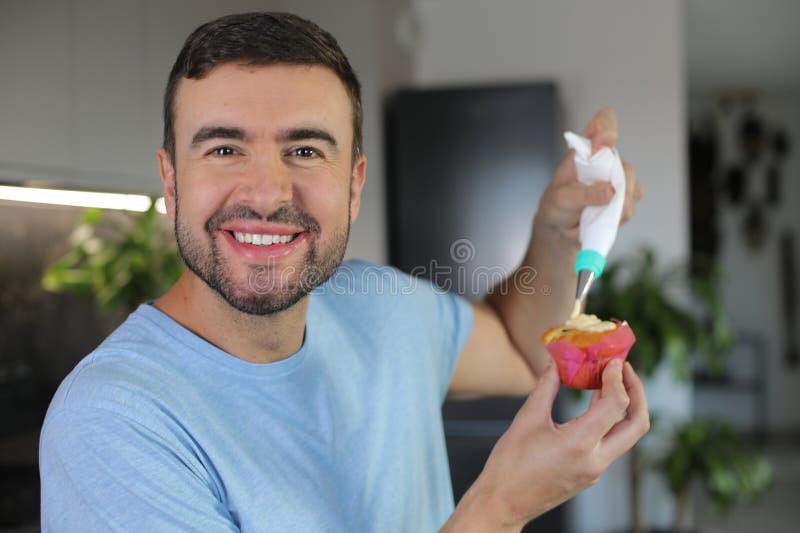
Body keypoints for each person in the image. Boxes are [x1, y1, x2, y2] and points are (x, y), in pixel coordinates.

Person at [39, 11, 648, 533]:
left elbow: (522, 351)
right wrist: (501, 507)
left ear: (353, 184)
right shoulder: (115, 422)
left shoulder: (379, 303)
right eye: (224, 149)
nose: (267, 191)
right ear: (171, 179)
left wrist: (556, 233)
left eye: (305, 150)